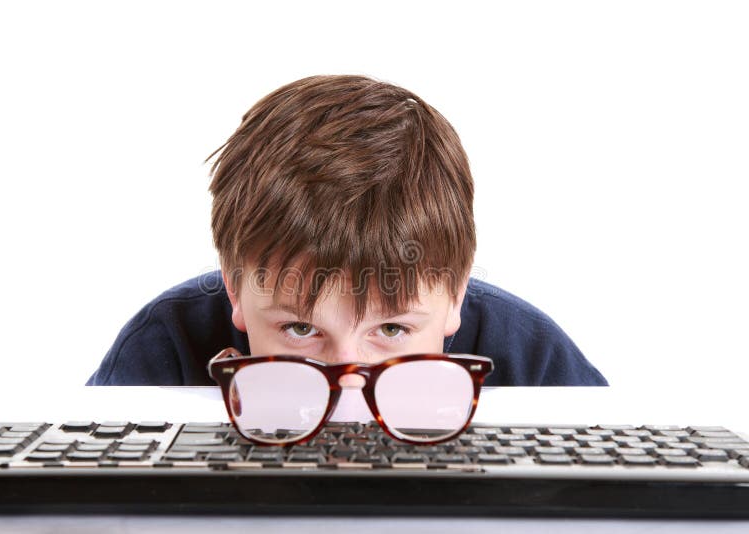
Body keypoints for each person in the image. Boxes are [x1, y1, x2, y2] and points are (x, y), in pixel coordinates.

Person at [85, 74, 608, 387]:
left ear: (456, 294)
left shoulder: (532, 359)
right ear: (233, 287)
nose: (348, 386)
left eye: (392, 330)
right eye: (300, 329)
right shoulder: (163, 348)